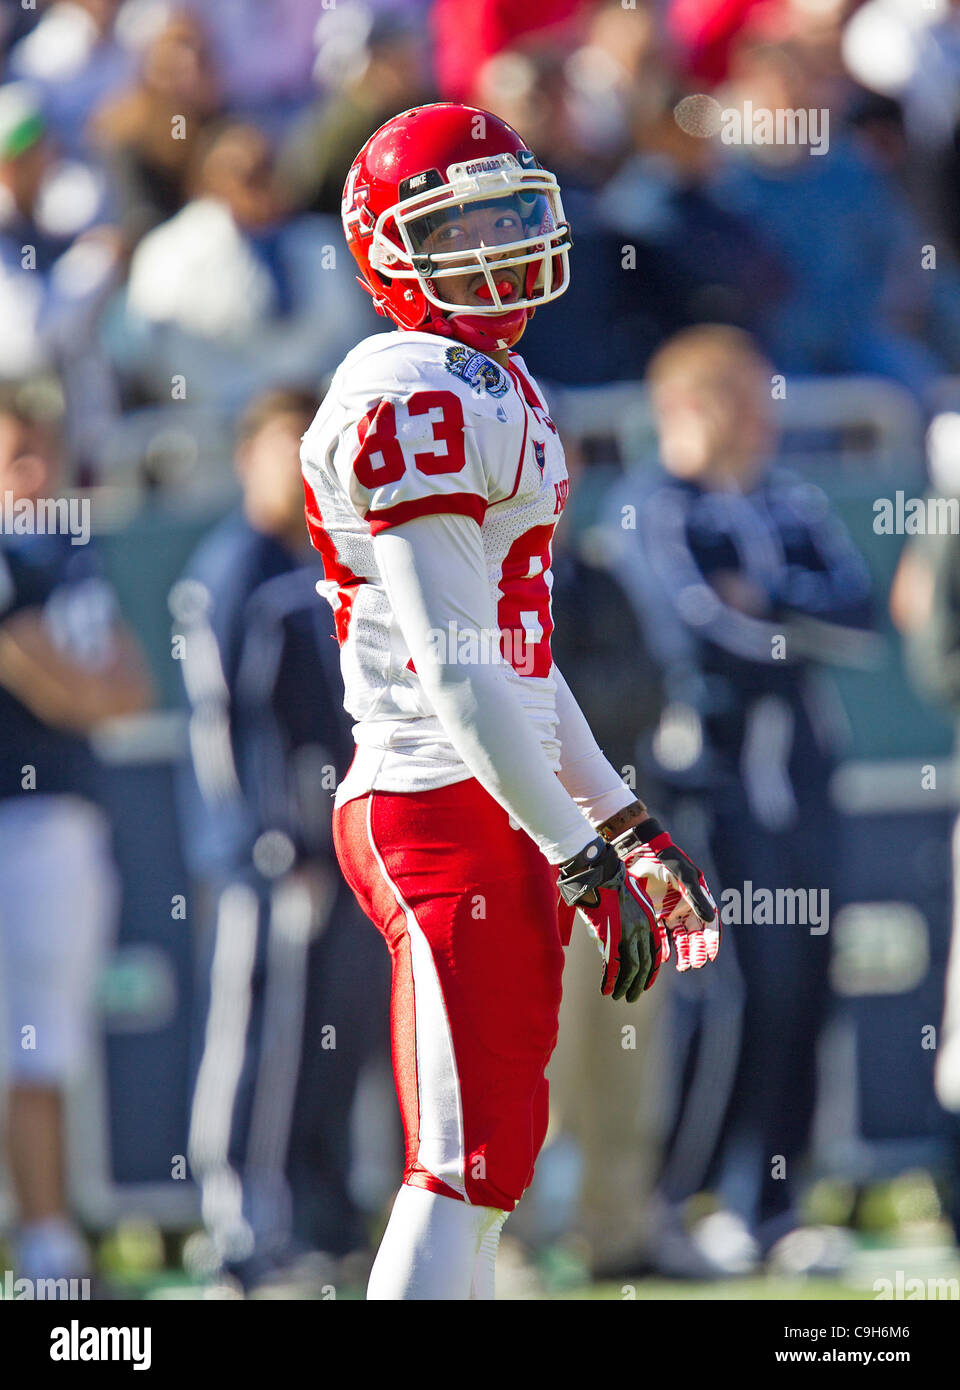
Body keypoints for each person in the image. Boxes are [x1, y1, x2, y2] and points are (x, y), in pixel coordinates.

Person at [299, 101, 720, 1302]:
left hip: (497, 786)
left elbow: (523, 663)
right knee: (457, 1166)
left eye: (513, 212)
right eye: (462, 222)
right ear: (389, 248)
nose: (498, 243)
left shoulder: (503, 384)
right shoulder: (405, 382)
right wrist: (579, 852)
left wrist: (620, 827)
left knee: (492, 1166)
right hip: (440, 791)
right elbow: (456, 663)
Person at [605, 324, 874, 1275]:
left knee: (806, 987)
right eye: (743, 397)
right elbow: (697, 632)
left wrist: (766, 603)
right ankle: (683, 1198)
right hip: (706, 787)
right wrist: (771, 622)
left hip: (799, 781)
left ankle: (778, 1202)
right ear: (687, 404)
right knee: (726, 989)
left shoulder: (788, 501)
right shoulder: (654, 506)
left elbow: (860, 613)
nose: (764, 419)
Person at [175, 388, 389, 1293]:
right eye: (283, 446)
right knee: (258, 1037)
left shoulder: (337, 559)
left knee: (333, 1039)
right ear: (246, 456)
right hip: (271, 859)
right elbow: (220, 722)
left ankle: (322, 1215)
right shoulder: (235, 568)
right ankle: (240, 1229)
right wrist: (264, 842)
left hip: (344, 851)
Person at [0, 386, 152, 1287]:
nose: (32, 475)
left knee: (40, 1038)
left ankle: (50, 1239)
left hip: (50, 816)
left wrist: (70, 685)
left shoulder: (64, 555)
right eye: (13, 457)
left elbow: (122, 691)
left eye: (37, 454)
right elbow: (53, 681)